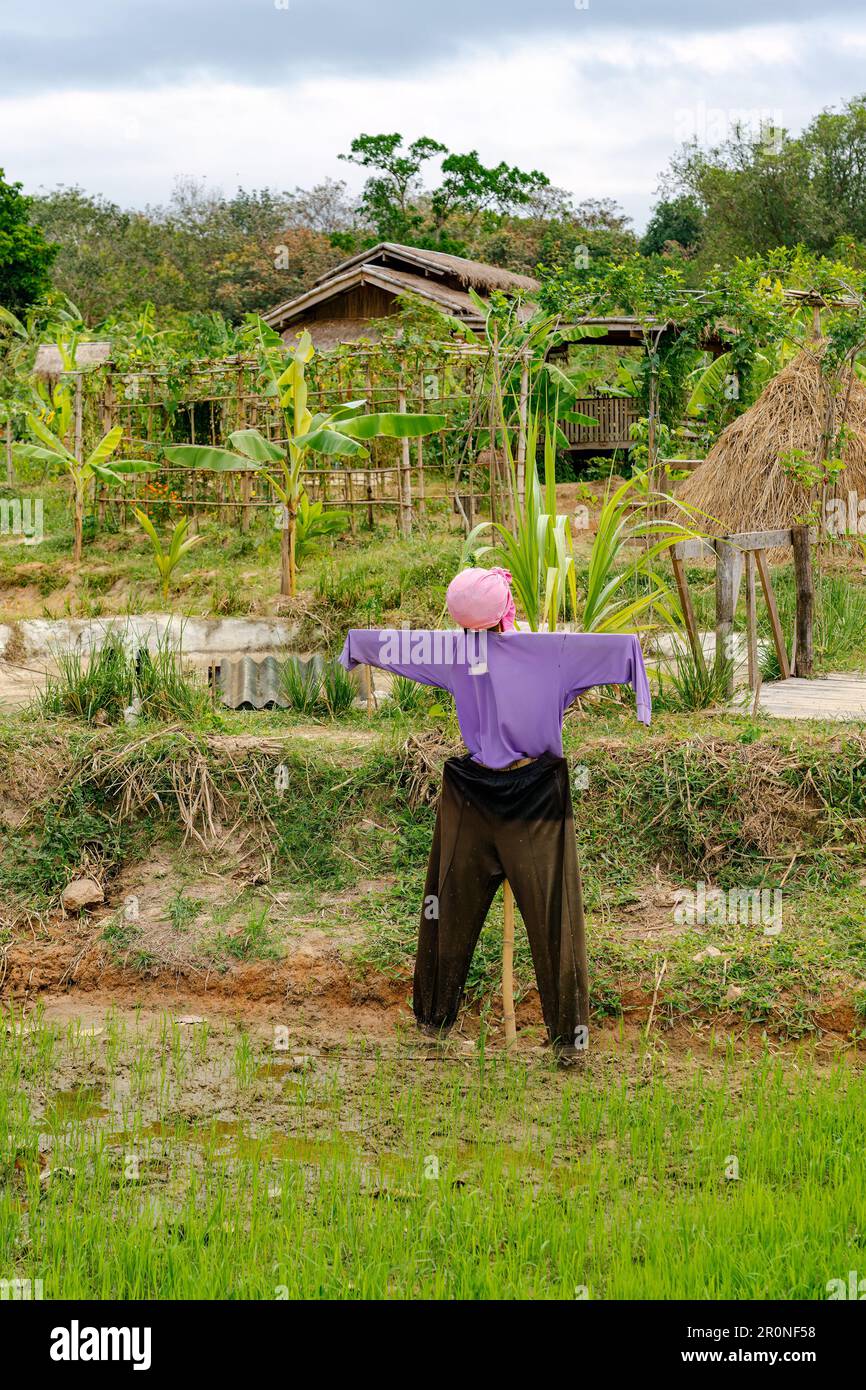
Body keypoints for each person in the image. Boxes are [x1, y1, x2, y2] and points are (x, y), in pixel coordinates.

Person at [339, 565, 651, 1064]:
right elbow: (621, 649)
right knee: (556, 918)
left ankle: (433, 1022)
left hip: (477, 792)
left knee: (444, 906)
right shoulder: (553, 653)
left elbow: (394, 645)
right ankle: (569, 1043)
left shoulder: (452, 652)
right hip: (532, 794)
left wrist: (357, 644)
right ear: (507, 610)